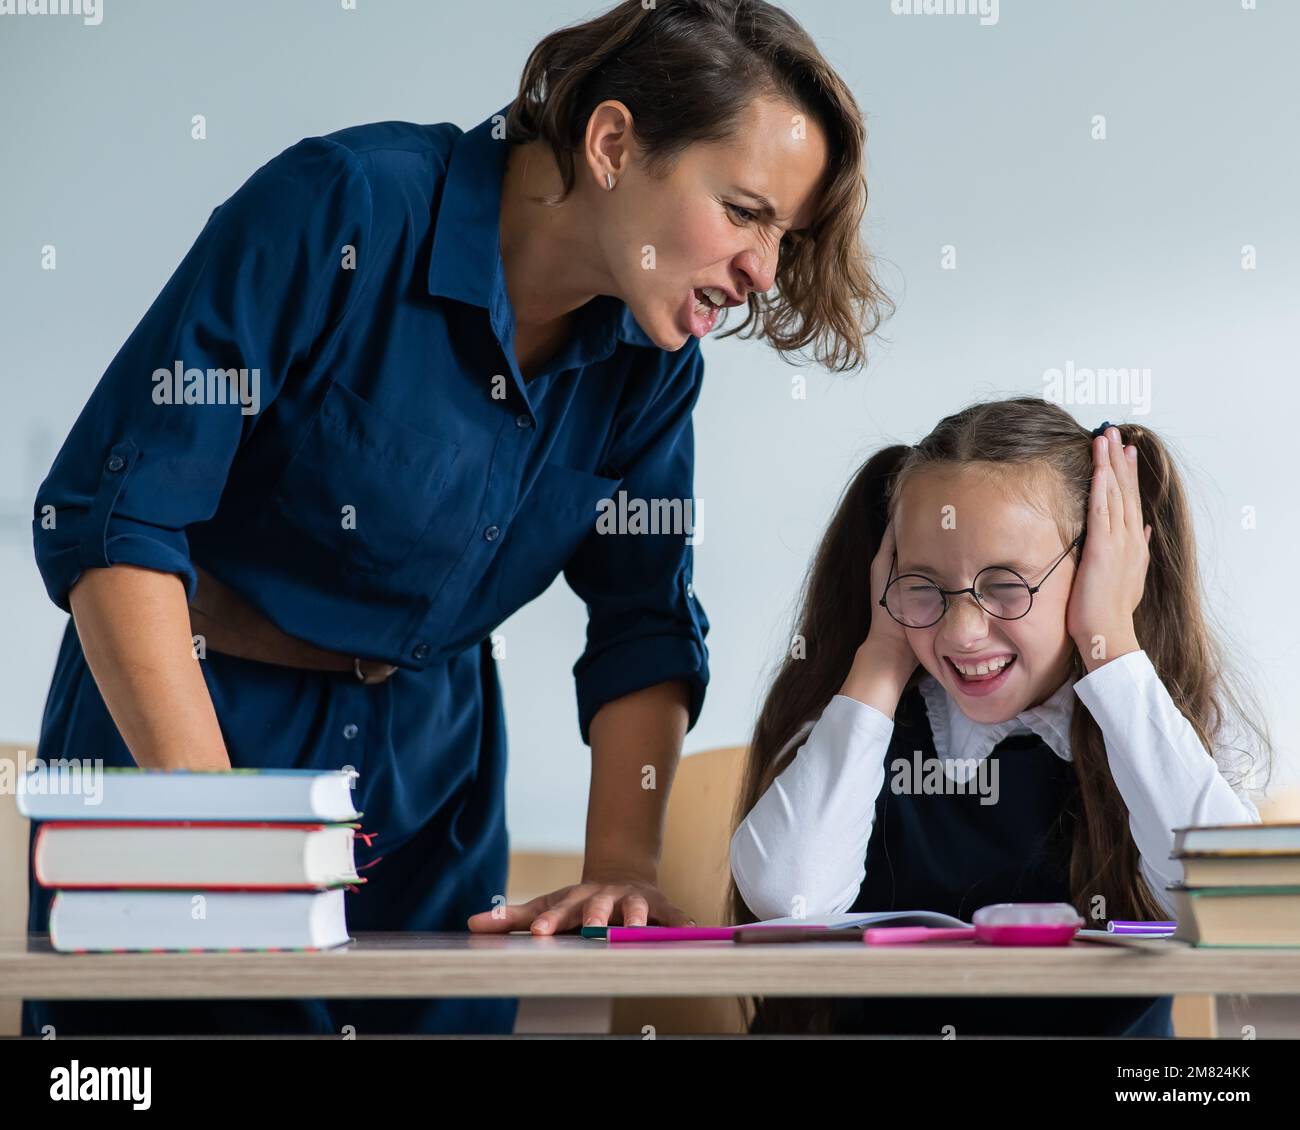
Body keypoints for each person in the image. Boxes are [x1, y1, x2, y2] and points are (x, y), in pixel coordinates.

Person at [25, 0, 888, 1035]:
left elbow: (640, 621)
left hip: (434, 788)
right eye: (745, 211)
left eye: (784, 236)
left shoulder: (653, 367)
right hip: (189, 735)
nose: (764, 271)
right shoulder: (338, 208)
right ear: (612, 142)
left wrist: (618, 867)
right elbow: (118, 521)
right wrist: (218, 823)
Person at [729, 398, 1272, 1035]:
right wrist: (880, 656)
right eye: (923, 586)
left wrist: (1110, 643)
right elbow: (785, 896)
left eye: (1007, 585)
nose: (962, 633)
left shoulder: (1163, 719)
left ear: (1100, 567)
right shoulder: (857, 721)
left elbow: (1228, 901)